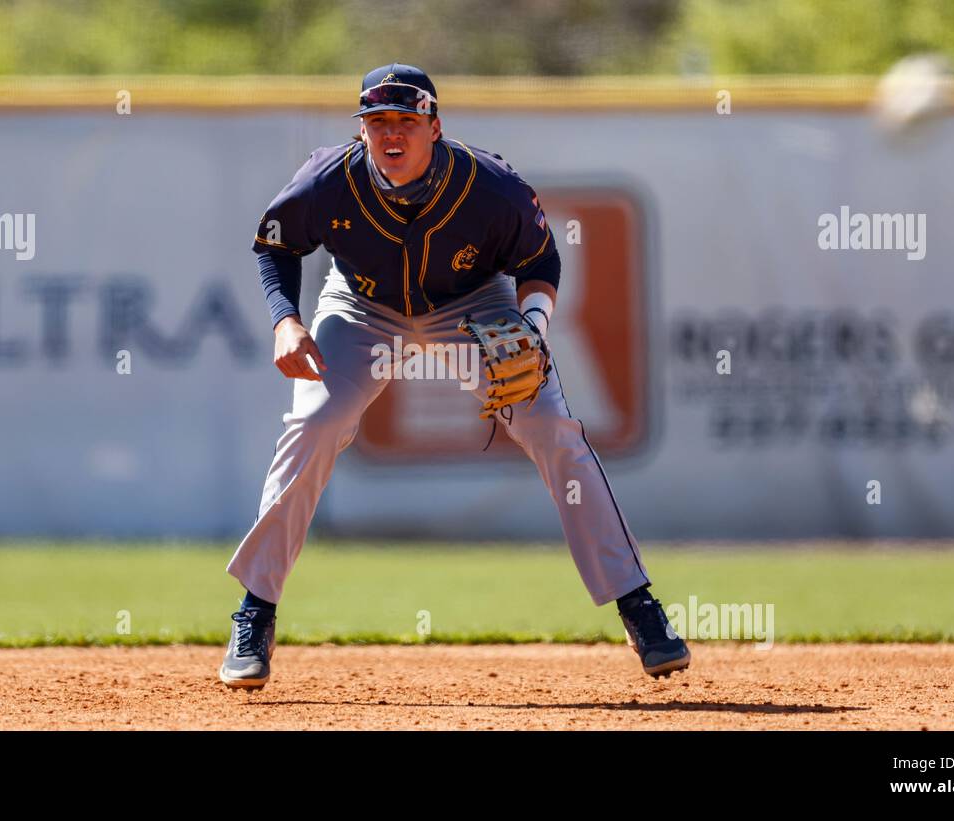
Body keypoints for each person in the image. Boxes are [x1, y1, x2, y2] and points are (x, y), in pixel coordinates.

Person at [219, 63, 690, 690]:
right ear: (362, 131)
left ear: (434, 127)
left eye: (406, 121)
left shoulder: (489, 187)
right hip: (361, 307)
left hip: (471, 307)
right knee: (316, 421)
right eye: (377, 122)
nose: (391, 134)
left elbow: (540, 261)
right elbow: (276, 245)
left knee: (552, 428)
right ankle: (255, 613)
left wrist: (532, 326)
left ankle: (639, 608)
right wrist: (285, 319)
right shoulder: (328, 180)